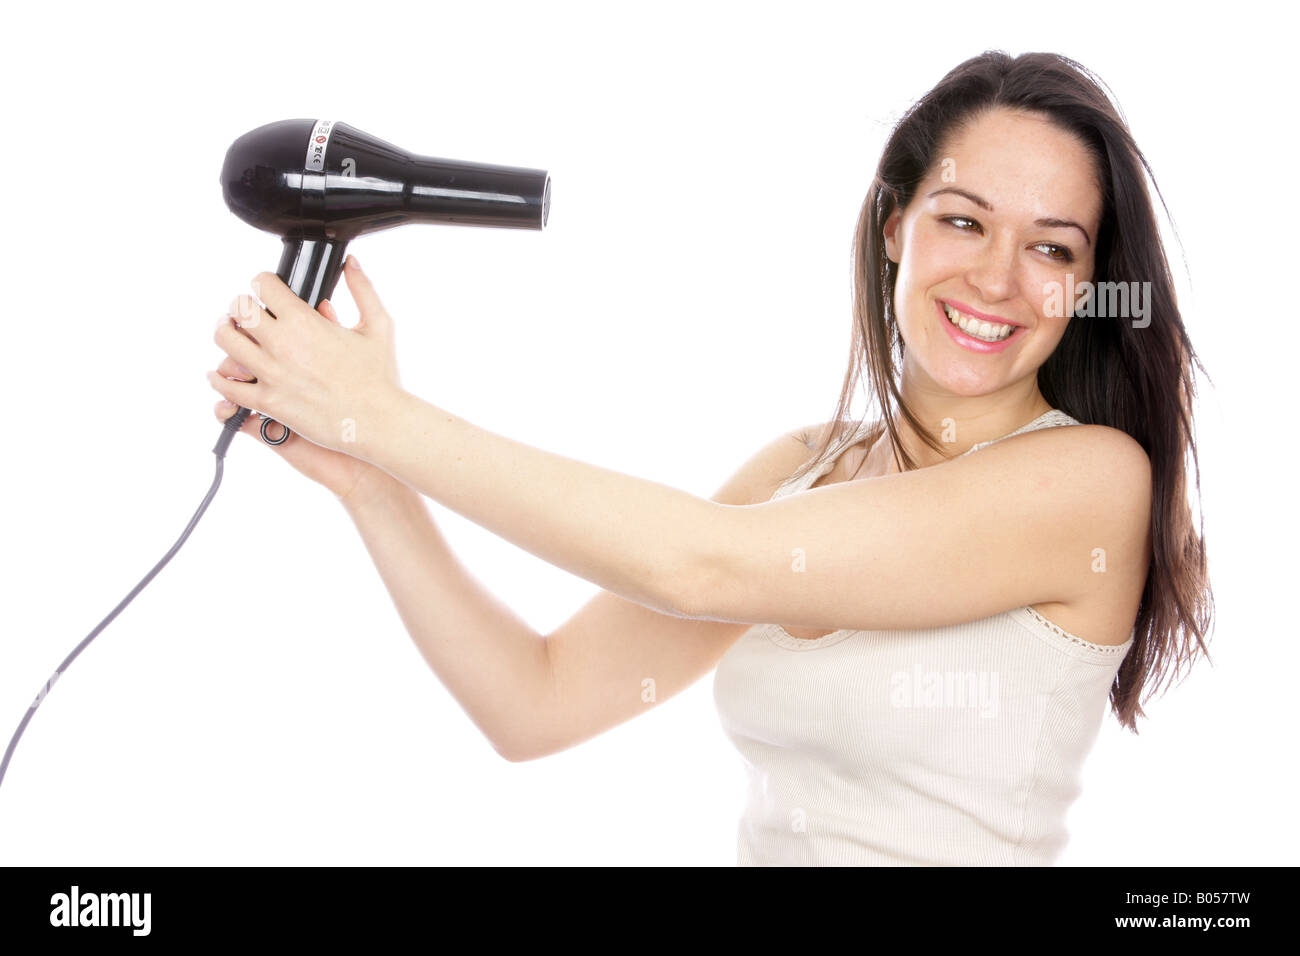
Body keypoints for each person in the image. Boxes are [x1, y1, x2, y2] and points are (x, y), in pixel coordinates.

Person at [207, 49, 1213, 866]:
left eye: (1052, 248)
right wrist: (374, 481)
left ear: (1084, 288)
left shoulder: (1091, 482)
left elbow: (699, 563)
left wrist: (376, 414)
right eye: (962, 219)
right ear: (895, 222)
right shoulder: (800, 470)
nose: (996, 276)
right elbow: (536, 698)